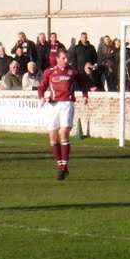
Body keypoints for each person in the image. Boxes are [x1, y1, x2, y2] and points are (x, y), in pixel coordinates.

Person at [37, 48, 87, 180]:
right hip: (53, 105)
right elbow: (42, 86)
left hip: (67, 104)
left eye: (67, 58)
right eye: (63, 58)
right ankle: (60, 165)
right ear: (57, 59)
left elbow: (83, 83)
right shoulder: (50, 72)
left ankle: (64, 167)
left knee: (63, 133)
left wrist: (85, 95)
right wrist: (41, 97)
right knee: (53, 137)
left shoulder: (72, 71)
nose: (66, 60)